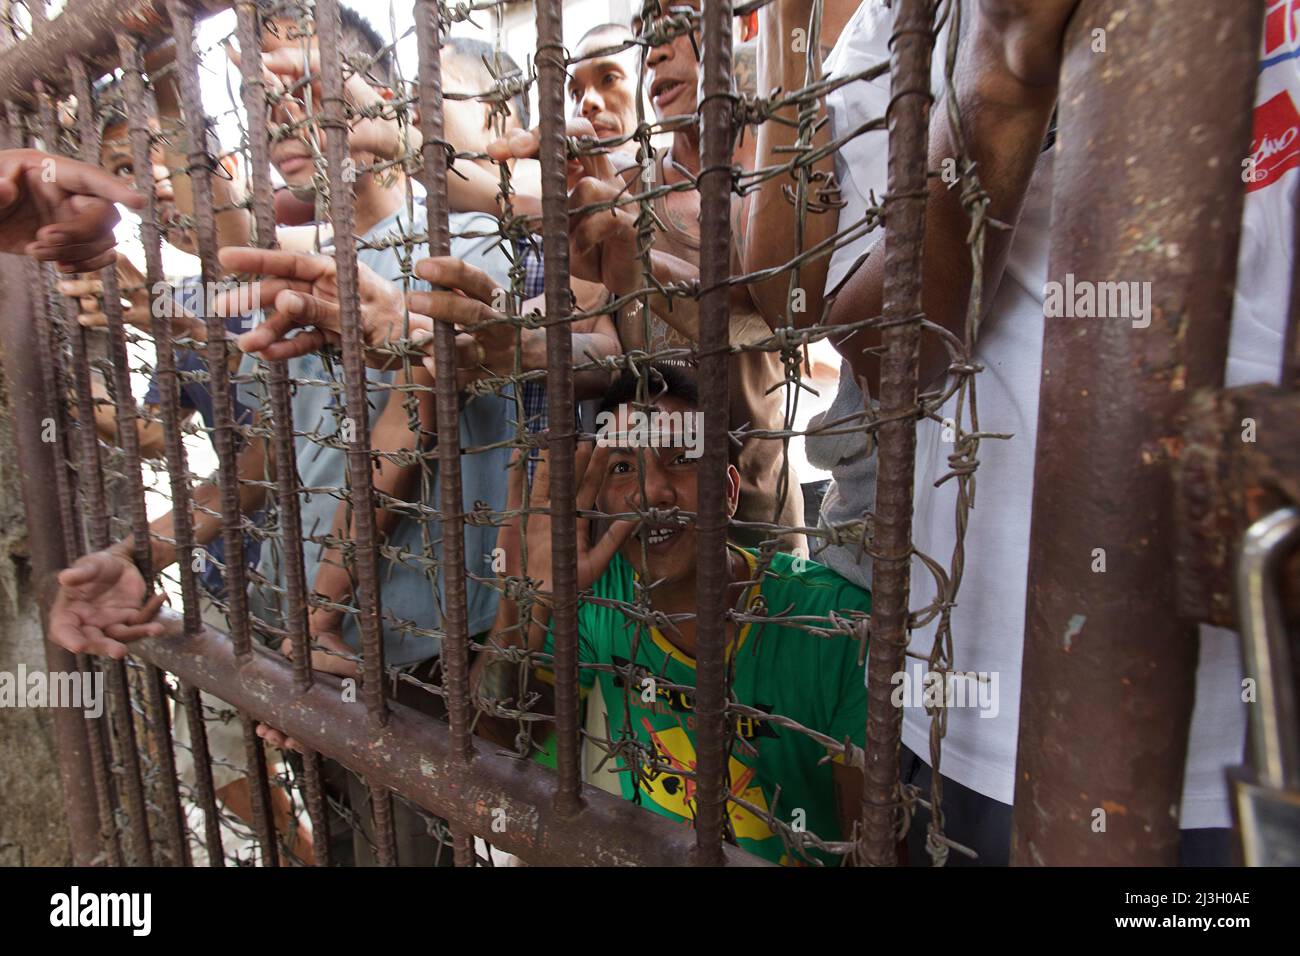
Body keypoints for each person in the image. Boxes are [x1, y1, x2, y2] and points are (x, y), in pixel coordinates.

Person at [477, 365, 870, 866]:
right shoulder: (597, 596)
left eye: (682, 459)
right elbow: (499, 737)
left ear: (728, 492)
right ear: (596, 499)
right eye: (622, 467)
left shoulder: (834, 623)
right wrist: (524, 602)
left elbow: (868, 841)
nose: (652, 492)